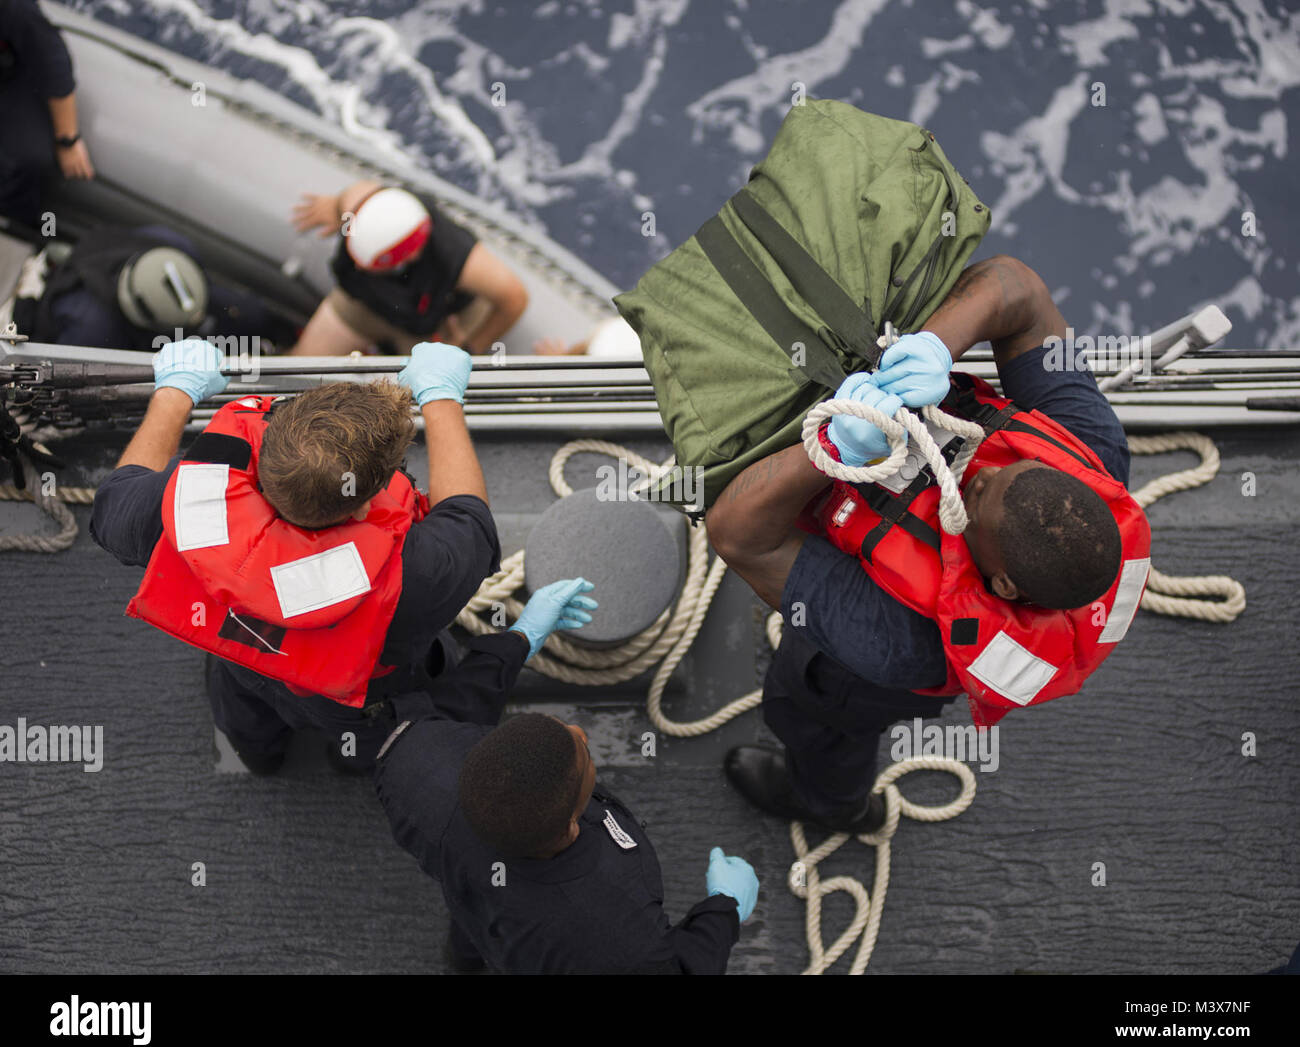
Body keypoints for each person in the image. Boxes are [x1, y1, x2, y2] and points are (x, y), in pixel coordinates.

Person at [706, 255, 1151, 833]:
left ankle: (832, 803)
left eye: (979, 491)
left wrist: (840, 445)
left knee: (812, 713)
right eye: (1004, 468)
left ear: (1004, 585)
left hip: (864, 676)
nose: (979, 469)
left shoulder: (902, 639)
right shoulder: (1092, 454)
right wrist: (935, 349)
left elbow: (737, 533)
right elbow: (1019, 287)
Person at [90, 338, 501, 775]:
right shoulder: (417, 575)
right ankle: (355, 766)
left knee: (248, 725)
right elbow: (468, 518)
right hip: (353, 700)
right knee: (368, 748)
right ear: (364, 504)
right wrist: (440, 397)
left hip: (243, 664)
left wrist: (176, 390)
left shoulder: (177, 511)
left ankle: (261, 760)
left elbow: (113, 502)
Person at [373, 578, 760, 974]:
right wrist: (723, 909)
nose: (580, 733)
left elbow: (453, 715)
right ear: (570, 825)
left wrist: (521, 638)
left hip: (473, 888)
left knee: (475, 914)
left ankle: (466, 960)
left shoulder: (410, 763)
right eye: (584, 757)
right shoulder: (616, 928)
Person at [291, 183, 527, 357]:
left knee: (415, 402)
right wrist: (334, 208)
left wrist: (468, 350)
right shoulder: (357, 201)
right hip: (365, 302)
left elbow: (514, 297)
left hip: (434, 324)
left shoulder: (457, 257)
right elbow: (346, 199)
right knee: (304, 361)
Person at [25, 223, 270, 352]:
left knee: (249, 314)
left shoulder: (170, 244)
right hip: (85, 300)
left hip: (116, 266)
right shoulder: (93, 329)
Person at [0, 0, 93, 232]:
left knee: (29, 158)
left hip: (9, 77)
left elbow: (53, 64)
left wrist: (68, 140)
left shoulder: (13, 7)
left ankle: (17, 227)